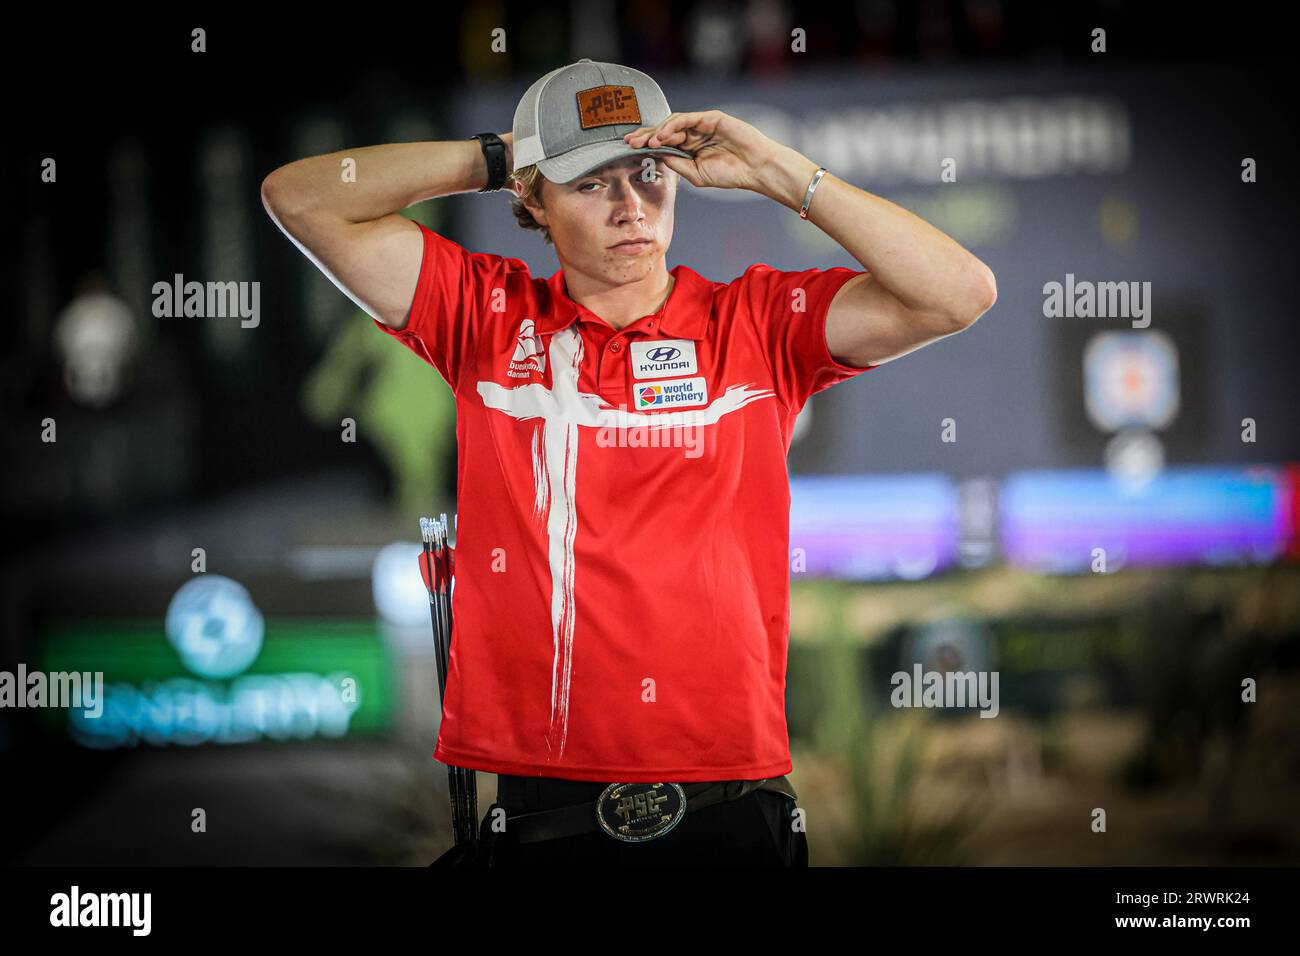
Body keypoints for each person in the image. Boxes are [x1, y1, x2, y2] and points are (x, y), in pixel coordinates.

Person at [261, 59, 996, 866]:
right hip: (542, 817)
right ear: (532, 200)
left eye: (649, 174)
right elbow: (299, 197)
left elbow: (958, 293)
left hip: (730, 817)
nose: (630, 207)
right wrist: (503, 157)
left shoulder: (754, 323)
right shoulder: (485, 316)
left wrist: (778, 172)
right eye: (590, 182)